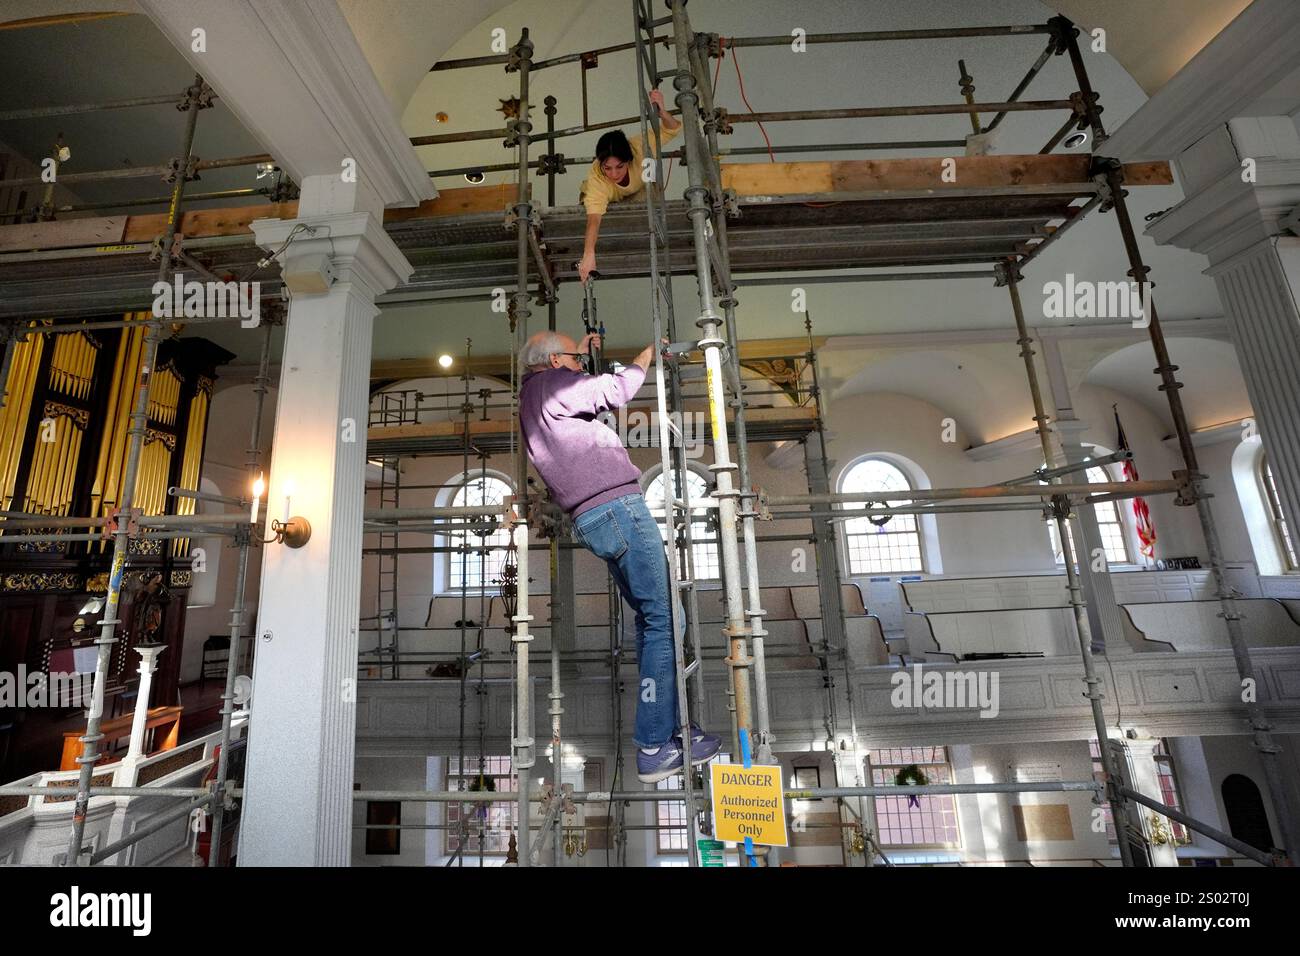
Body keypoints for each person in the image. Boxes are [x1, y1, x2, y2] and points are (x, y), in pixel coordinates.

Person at [517, 329, 721, 783]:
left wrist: (583, 354)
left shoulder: (537, 395)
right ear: (553, 362)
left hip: (598, 517)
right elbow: (618, 388)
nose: (578, 365)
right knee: (668, 618)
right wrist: (647, 353)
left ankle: (664, 734)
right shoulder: (553, 385)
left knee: (655, 620)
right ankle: (654, 745)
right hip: (618, 509)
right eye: (572, 358)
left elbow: (579, 387)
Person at [578, 89, 682, 284]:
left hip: (637, 193)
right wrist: (589, 253)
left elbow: (672, 129)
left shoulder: (639, 146)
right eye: (607, 168)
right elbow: (594, 219)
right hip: (606, 201)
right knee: (592, 214)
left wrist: (663, 113)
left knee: (653, 189)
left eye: (620, 167)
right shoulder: (597, 180)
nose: (614, 174)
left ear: (629, 160)